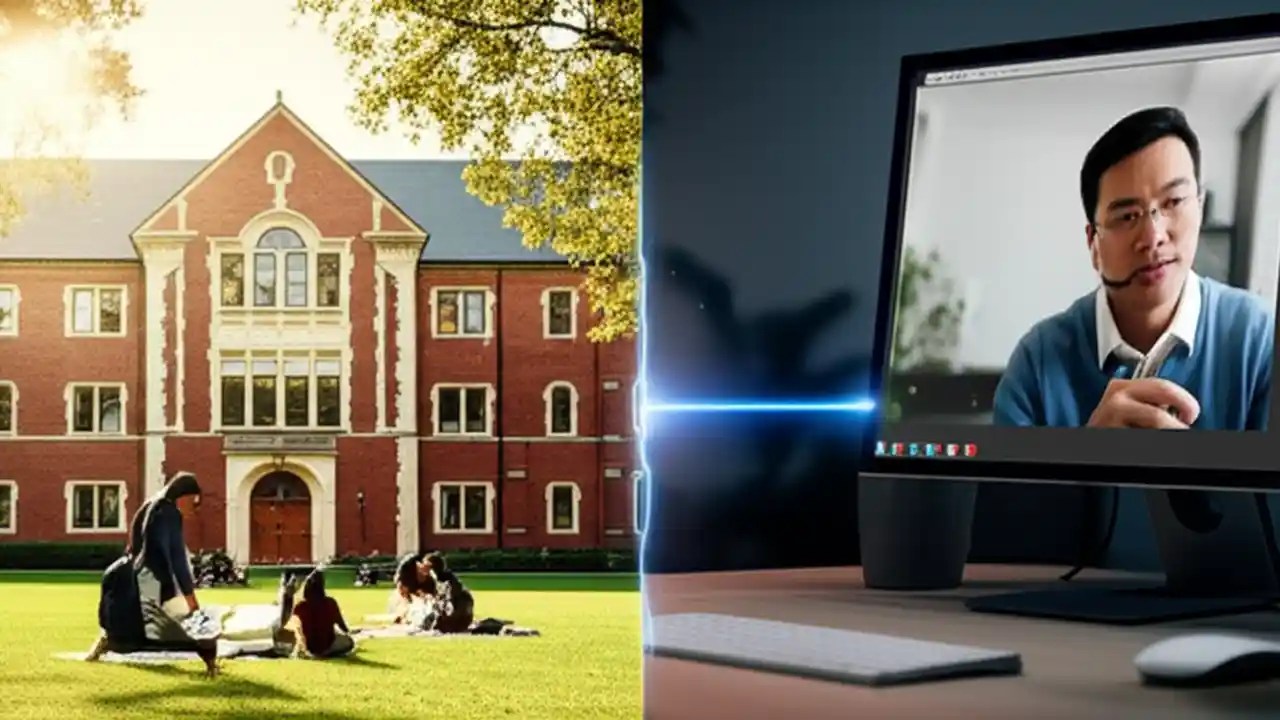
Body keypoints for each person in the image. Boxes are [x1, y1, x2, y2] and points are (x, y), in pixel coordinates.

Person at [993, 106, 1274, 430]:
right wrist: (1086, 458)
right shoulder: (1037, 361)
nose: (1153, 237)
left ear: (1199, 208)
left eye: (1173, 202)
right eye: (1126, 216)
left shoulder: (1260, 339)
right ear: (1093, 243)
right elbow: (1004, 483)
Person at [89, 471, 219, 675]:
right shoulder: (168, 513)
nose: (194, 509)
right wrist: (188, 595)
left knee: (135, 624)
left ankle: (108, 642)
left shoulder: (153, 504)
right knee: (178, 625)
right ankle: (210, 661)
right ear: (183, 496)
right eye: (193, 502)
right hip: (151, 578)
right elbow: (174, 557)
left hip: (135, 573)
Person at [289, 569, 356, 659]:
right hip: (326, 645)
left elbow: (295, 627)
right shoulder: (330, 602)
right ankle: (327, 654)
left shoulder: (300, 606)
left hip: (308, 646)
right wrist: (348, 632)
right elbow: (341, 625)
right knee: (349, 642)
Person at [424, 552, 475, 634]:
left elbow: (452, 602)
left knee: (430, 625)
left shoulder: (446, 582)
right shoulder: (443, 580)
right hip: (460, 618)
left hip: (456, 618)